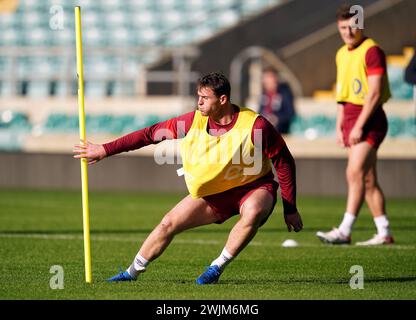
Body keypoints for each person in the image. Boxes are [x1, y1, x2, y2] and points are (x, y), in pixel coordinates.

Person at [73, 72, 303, 284]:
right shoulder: (193, 121)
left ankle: (216, 267)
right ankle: (130, 273)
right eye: (198, 96)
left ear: (222, 100)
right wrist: (105, 149)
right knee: (168, 223)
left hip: (255, 187)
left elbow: (284, 162)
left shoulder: (256, 125)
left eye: (205, 97)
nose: (199, 102)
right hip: (214, 193)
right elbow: (150, 134)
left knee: (252, 211)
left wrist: (289, 208)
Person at [316, 5, 394, 246]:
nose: (348, 31)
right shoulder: (341, 53)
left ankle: (344, 230)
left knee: (354, 172)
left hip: (369, 120)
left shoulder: (372, 51)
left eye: (352, 26)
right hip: (351, 118)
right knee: (368, 179)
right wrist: (341, 125)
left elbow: (374, 93)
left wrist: (359, 125)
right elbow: (342, 94)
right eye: (342, 27)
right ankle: (384, 232)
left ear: (360, 25)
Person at [258, 67, 296, 134]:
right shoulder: (264, 94)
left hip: (280, 130)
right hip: (265, 128)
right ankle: (258, 144)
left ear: (275, 79)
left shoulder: (284, 93)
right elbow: (260, 111)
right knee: (256, 130)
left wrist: (277, 118)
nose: (266, 80)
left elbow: (291, 113)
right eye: (265, 78)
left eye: (269, 77)